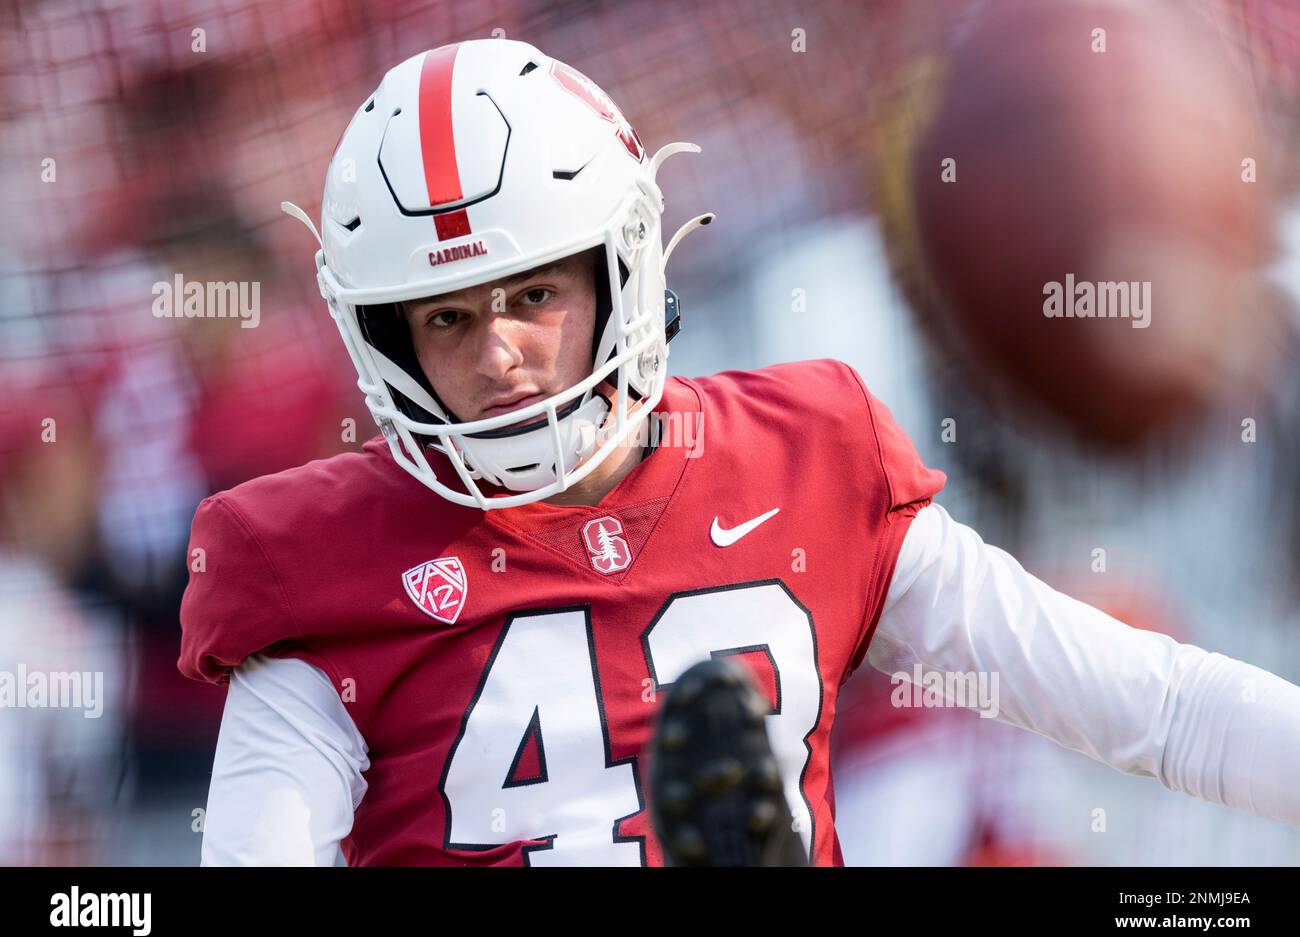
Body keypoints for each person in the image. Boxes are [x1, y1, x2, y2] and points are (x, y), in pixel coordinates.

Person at [179, 38, 1300, 866]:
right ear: (386, 338)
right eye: (448, 318)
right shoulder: (312, 565)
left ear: (621, 267)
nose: (501, 354)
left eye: (531, 294)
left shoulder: (804, 456)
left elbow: (1150, 705)